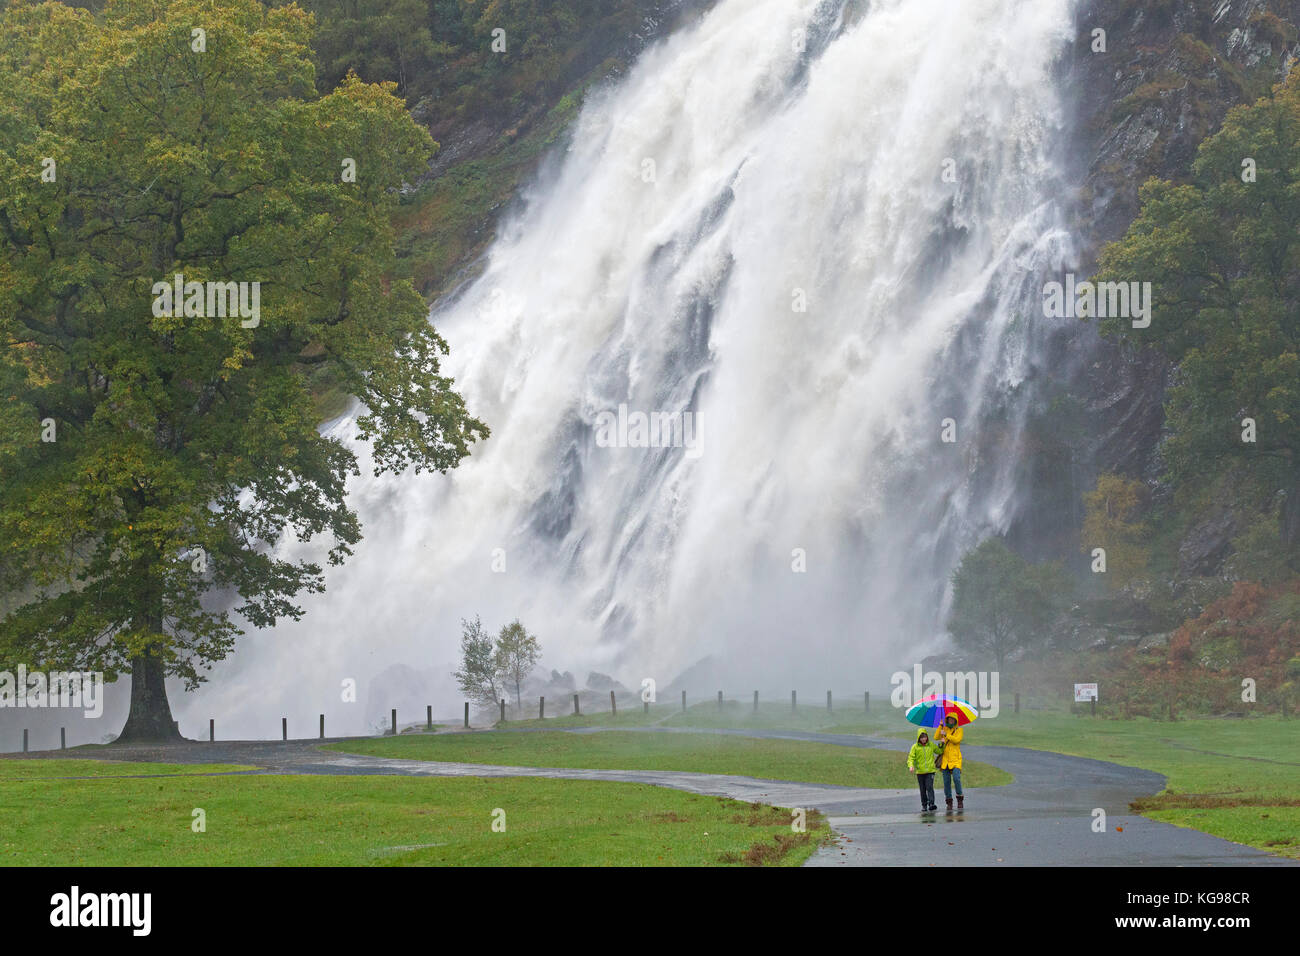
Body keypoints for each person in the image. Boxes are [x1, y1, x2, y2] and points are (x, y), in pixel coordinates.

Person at [906, 727, 941, 812]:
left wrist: (941, 743)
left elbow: (940, 751)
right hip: (920, 772)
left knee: (929, 787)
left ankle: (931, 804)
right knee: (922, 789)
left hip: (930, 771)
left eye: (925, 737)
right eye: (921, 737)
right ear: (919, 738)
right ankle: (924, 805)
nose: (923, 739)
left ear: (927, 737)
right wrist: (911, 766)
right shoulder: (915, 747)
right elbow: (910, 758)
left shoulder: (931, 745)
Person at [935, 713, 964, 811]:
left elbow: (957, 740)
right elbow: (935, 737)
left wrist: (947, 735)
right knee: (946, 782)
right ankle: (949, 802)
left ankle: (960, 798)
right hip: (945, 761)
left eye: (952, 719)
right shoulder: (945, 729)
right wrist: (940, 726)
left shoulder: (959, 730)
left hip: (955, 760)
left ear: (955, 720)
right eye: (949, 719)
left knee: (956, 779)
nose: (950, 721)